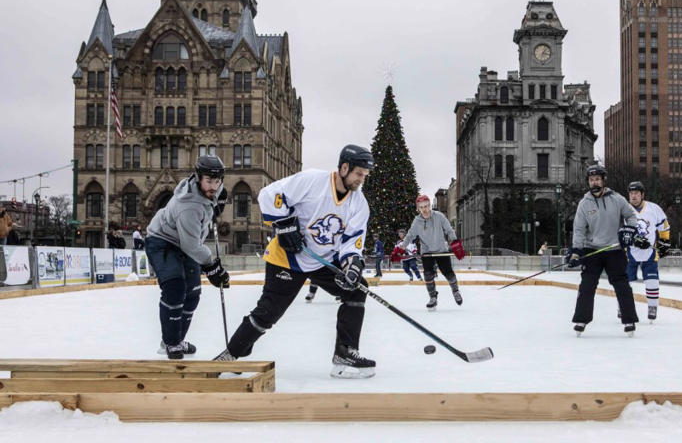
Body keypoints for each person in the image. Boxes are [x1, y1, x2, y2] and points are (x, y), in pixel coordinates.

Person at [214, 145, 376, 379]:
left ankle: (345, 354)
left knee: (357, 290)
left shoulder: (359, 204)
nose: (362, 179)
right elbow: (269, 195)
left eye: (365, 175)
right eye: (359, 173)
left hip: (322, 260)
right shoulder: (312, 181)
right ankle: (231, 354)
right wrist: (285, 224)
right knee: (267, 313)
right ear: (344, 167)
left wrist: (352, 265)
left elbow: (352, 240)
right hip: (287, 259)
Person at [145, 156, 230, 359]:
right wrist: (212, 267)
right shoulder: (189, 206)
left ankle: (178, 339)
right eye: (209, 181)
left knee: (193, 293)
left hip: (185, 244)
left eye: (217, 181)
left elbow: (191, 243)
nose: (214, 186)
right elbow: (191, 245)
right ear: (198, 178)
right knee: (175, 288)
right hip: (162, 241)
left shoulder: (215, 191)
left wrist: (216, 204)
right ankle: (170, 343)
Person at [568, 164, 649, 336]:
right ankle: (582, 319)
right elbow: (579, 230)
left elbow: (631, 216)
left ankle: (629, 320)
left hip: (615, 250)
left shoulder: (617, 199)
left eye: (597, 179)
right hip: (592, 251)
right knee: (587, 286)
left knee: (622, 286)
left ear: (603, 180)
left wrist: (630, 231)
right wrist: (576, 251)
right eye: (591, 180)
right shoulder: (584, 204)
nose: (594, 182)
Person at [393, 194, 465, 311]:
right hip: (427, 252)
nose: (424, 209)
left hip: (441, 250)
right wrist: (400, 249)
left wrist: (455, 243)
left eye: (426, 206)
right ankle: (433, 297)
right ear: (418, 208)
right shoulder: (417, 221)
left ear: (429, 205)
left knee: (448, 273)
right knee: (428, 275)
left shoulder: (439, 216)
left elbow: (449, 229)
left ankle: (455, 291)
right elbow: (410, 236)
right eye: (421, 207)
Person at [625, 181, 671, 321]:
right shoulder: (623, 209)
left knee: (652, 281)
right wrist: (633, 240)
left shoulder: (653, 208)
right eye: (631, 193)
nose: (633, 196)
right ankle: (623, 307)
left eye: (636, 193)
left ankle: (652, 307)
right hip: (629, 254)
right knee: (624, 283)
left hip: (650, 253)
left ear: (642, 195)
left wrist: (665, 241)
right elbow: (618, 231)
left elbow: (664, 226)